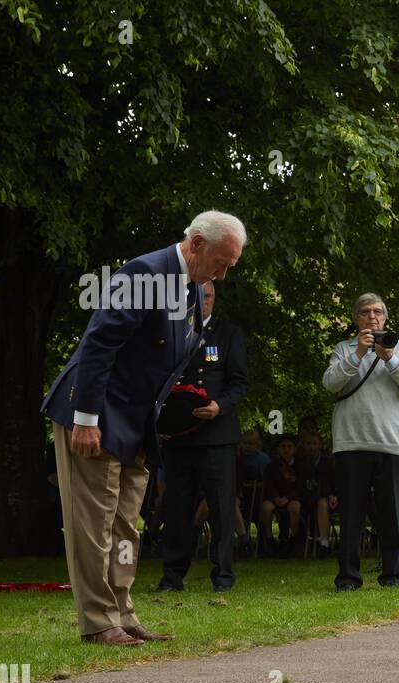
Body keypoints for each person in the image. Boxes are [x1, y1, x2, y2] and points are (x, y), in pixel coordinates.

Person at [41, 209, 246, 645]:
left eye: (230, 265)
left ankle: (122, 612)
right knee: (94, 523)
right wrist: (85, 420)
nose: (223, 275)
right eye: (221, 262)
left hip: (138, 424)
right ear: (196, 244)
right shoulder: (144, 272)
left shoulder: (191, 289)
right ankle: (98, 623)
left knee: (126, 525)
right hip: (97, 415)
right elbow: (98, 344)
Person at [324, 292, 399, 590]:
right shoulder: (344, 349)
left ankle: (393, 575)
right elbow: (330, 383)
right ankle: (348, 578)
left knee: (391, 514)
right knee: (352, 514)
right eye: (365, 312)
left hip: (391, 443)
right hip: (351, 443)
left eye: (378, 312)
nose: (372, 317)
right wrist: (357, 354)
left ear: (385, 317)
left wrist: (390, 359)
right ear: (356, 318)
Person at [155, 279, 249, 592]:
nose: (201, 301)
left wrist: (218, 406)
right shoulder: (171, 332)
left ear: (213, 300)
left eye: (206, 296)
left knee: (221, 509)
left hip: (216, 436)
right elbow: (158, 379)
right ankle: (172, 576)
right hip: (179, 437)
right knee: (177, 509)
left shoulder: (228, 333)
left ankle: (222, 576)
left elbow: (239, 383)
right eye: (195, 296)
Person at [295, 429, 337, 556]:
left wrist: (333, 495)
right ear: (303, 445)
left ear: (320, 445)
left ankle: (324, 543)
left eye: (314, 443)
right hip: (306, 498)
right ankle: (296, 540)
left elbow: (334, 482)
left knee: (323, 503)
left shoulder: (328, 462)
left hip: (326, 498)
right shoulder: (300, 463)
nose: (311, 446)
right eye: (308, 443)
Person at [260, 435, 303, 556]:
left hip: (293, 498)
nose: (286, 449)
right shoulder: (271, 466)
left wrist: (288, 498)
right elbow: (269, 484)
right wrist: (275, 497)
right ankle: (269, 539)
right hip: (275, 497)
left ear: (294, 449)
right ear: (278, 449)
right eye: (283, 446)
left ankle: (293, 538)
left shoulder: (301, 465)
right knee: (266, 507)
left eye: (289, 446)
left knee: (295, 508)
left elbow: (300, 487)